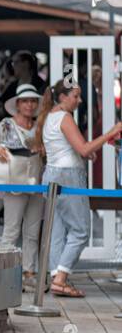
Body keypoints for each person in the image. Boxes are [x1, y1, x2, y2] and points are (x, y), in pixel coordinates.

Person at [30, 78, 122, 298]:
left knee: (57, 231)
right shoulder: (64, 117)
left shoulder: (50, 117)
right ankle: (61, 278)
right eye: (76, 96)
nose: (79, 100)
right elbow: (83, 148)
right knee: (81, 230)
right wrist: (111, 132)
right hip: (68, 177)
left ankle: (56, 277)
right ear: (63, 97)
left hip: (52, 175)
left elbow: (73, 149)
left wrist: (86, 152)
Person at [0, 83, 44, 291]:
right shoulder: (6, 125)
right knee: (11, 229)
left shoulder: (40, 125)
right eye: (25, 101)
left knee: (32, 230)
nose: (30, 105)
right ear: (17, 104)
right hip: (13, 183)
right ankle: (3, 274)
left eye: (33, 101)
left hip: (36, 182)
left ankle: (29, 273)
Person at [0, 50, 46, 118]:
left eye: (15, 63)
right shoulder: (13, 86)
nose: (13, 66)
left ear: (26, 63)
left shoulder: (40, 85)